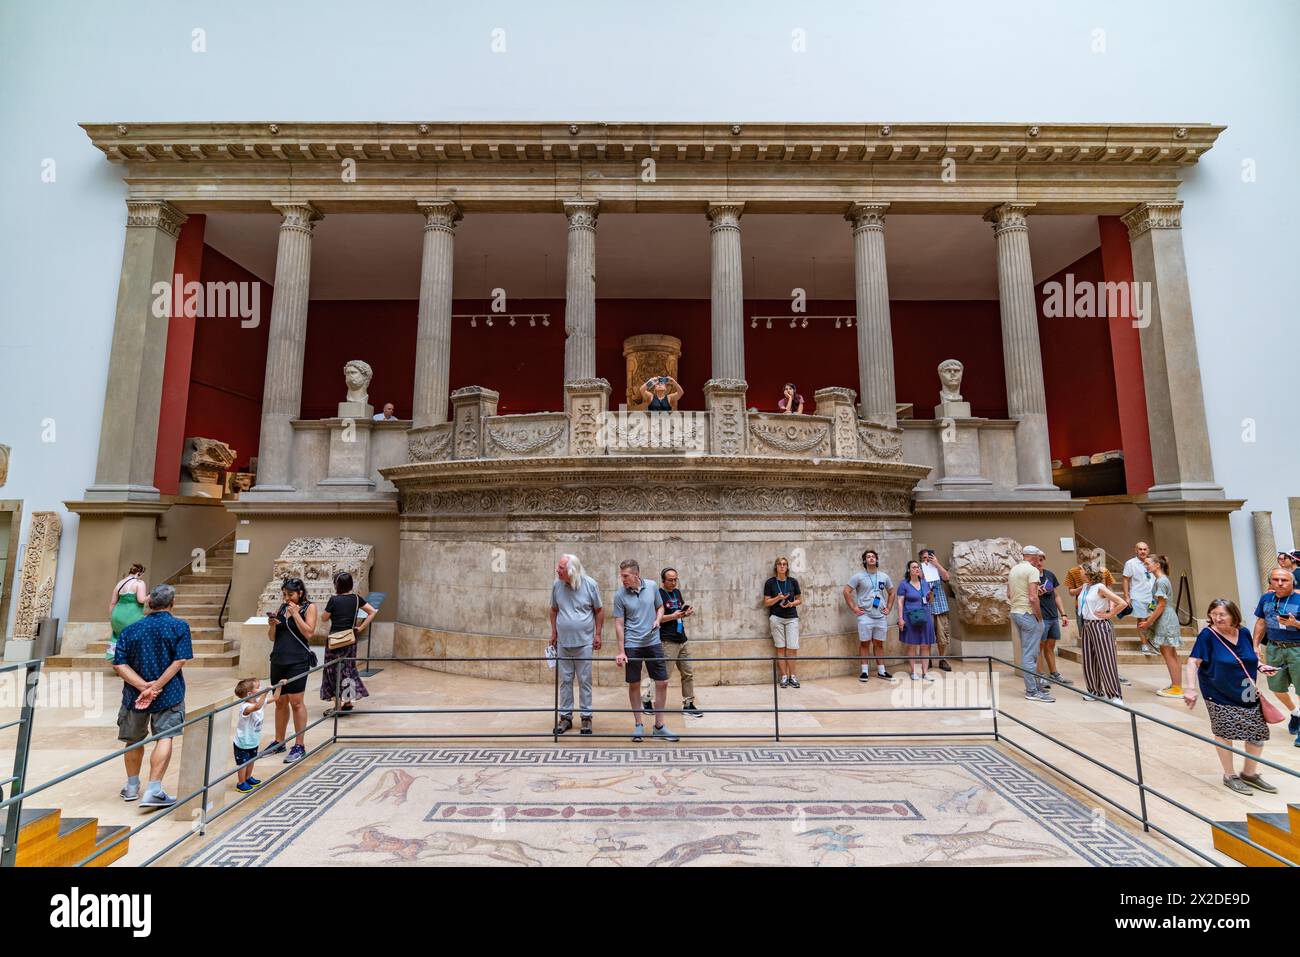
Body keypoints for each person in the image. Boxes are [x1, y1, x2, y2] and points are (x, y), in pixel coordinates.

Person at [1185, 599, 1279, 795]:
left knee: (1257, 733)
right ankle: (1230, 775)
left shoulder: (1243, 633)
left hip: (1246, 691)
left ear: (1233, 616)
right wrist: (1191, 688)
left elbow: (1248, 659)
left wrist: (1261, 666)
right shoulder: (1207, 635)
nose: (1216, 618)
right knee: (1225, 732)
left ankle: (1249, 773)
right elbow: (1193, 662)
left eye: (1222, 614)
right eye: (1213, 614)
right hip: (1218, 691)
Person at [112, 584, 193, 809]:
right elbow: (179, 660)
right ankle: (154, 789)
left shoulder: (130, 629)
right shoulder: (179, 626)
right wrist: (155, 687)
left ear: (149, 603)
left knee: (132, 739)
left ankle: (131, 786)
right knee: (165, 737)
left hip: (133, 695)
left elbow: (119, 664)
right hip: (169, 693)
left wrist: (141, 687)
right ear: (173, 603)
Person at [613, 559, 677, 742]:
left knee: (662, 681)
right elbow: (618, 623)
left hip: (653, 641)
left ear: (636, 574)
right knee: (634, 684)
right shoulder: (619, 595)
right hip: (632, 644)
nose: (622, 579)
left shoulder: (652, 586)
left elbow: (660, 607)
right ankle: (639, 725)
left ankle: (659, 726)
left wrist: (658, 619)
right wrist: (621, 651)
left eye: (625, 576)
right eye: (621, 576)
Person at [264, 577, 317, 765]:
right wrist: (272, 626)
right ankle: (279, 741)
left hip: (298, 660)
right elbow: (272, 638)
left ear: (300, 593)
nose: (287, 598)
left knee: (296, 702)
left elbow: (309, 632)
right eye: (284, 594)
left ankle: (299, 745)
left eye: (290, 594)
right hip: (278, 659)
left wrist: (295, 614)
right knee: (280, 701)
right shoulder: (281, 608)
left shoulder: (309, 608)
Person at [550, 553, 604, 735]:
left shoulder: (590, 584)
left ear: (571, 571)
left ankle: (586, 717)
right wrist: (553, 632)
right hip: (563, 643)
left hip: (584, 642)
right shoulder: (557, 585)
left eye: (561, 568)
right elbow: (553, 610)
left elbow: (599, 610)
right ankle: (565, 717)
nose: (557, 570)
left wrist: (598, 634)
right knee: (565, 680)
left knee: (584, 680)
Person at [641, 567, 701, 717]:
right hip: (667, 640)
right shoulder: (658, 594)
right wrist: (673, 616)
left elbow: (677, 613)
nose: (674, 583)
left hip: (682, 638)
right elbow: (655, 618)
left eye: (676, 579)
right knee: (662, 675)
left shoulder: (677, 592)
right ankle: (646, 699)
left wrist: (684, 613)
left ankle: (688, 704)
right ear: (663, 580)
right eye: (670, 580)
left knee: (688, 673)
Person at [1253, 567, 1300, 746]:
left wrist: (1295, 623)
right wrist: (1255, 646)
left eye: (1284, 580)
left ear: (1292, 582)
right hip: (1274, 648)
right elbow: (1261, 622)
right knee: (1276, 687)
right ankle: (1296, 713)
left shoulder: (1299, 599)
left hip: (1297, 648)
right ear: (1270, 582)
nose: (1279, 583)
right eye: (1276, 579)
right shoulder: (1266, 599)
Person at [319, 571, 376, 714]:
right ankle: (348, 701)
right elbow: (372, 611)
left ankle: (337, 705)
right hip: (350, 639)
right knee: (348, 669)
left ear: (337, 585)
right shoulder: (356, 599)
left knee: (332, 671)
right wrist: (361, 627)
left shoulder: (334, 600)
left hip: (335, 640)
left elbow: (324, 618)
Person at [1008, 545, 1053, 702]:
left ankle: (1033, 686)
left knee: (1028, 652)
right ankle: (1032, 691)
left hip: (1015, 612)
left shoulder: (1013, 570)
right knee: (1030, 654)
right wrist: (1039, 617)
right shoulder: (1032, 571)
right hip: (1028, 614)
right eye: (1038, 558)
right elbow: (1033, 598)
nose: (1039, 561)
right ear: (1033, 557)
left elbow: (1009, 593)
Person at [843, 549, 894, 682]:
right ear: (864, 561)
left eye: (873, 556)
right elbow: (846, 591)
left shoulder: (884, 576)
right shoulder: (858, 576)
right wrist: (854, 608)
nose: (871, 558)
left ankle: (881, 671)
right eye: (868, 557)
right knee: (864, 643)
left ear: (877, 560)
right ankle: (864, 671)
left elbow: (892, 592)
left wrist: (888, 608)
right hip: (865, 615)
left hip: (880, 615)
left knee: (879, 643)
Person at [1077, 564, 1125, 704]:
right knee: (1088, 660)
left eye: (1081, 570)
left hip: (1100, 626)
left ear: (1087, 572)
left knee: (1106, 660)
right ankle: (1094, 691)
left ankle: (1114, 695)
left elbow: (1121, 602)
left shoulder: (1100, 587)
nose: (1079, 572)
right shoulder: (1086, 587)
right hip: (1086, 625)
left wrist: (1109, 614)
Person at [1139, 554, 1184, 698]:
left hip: (1165, 619)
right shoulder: (1161, 580)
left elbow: (1161, 605)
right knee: (1171, 654)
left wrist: (1148, 622)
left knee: (1168, 654)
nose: (1146, 566)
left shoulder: (1161, 581)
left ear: (1157, 565)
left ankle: (1177, 688)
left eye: (1147, 563)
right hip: (1167, 618)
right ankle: (1176, 685)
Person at [763, 556, 803, 688]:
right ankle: (784, 677)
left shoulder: (793, 582)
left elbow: (799, 600)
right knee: (780, 648)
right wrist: (777, 598)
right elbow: (766, 602)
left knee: (792, 648)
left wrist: (791, 603)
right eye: (780, 564)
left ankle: (793, 676)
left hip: (791, 617)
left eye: (784, 564)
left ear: (787, 567)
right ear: (776, 567)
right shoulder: (770, 583)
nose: (782, 566)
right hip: (776, 618)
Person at [233, 677, 276, 793]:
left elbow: (275, 698)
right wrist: (265, 692)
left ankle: (248, 777)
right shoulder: (245, 707)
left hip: (253, 740)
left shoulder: (259, 701)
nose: (261, 689)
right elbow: (257, 707)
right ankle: (241, 782)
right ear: (250, 693)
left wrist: (280, 686)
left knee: (252, 760)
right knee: (243, 763)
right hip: (243, 741)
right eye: (258, 688)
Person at [897, 560, 936, 681]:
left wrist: (931, 596)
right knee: (912, 645)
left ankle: (925, 672)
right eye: (914, 567)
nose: (917, 569)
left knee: (925, 645)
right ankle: (913, 671)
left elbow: (930, 601)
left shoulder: (924, 583)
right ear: (909, 570)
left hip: (925, 616)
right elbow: (900, 602)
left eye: (918, 567)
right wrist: (900, 618)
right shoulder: (904, 584)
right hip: (910, 617)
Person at [1036, 560, 1072, 686]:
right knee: (1038, 647)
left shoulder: (1049, 575)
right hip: (1040, 617)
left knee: (1050, 646)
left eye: (1041, 559)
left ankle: (1054, 673)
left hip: (1053, 616)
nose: (1039, 562)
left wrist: (1063, 614)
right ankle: (1039, 676)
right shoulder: (1030, 576)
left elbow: (1056, 596)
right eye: (1036, 559)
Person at [920, 548, 953, 671]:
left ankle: (942, 659)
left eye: (929, 557)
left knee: (942, 636)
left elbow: (947, 577)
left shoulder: (937, 569)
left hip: (940, 606)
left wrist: (937, 564)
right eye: (924, 558)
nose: (927, 560)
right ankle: (927, 659)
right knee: (926, 636)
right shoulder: (919, 571)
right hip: (926, 608)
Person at [107, 563, 148, 661]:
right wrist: (151, 596)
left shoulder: (119, 583)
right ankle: (132, 664)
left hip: (116, 616)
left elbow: (112, 603)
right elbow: (141, 600)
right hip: (131, 616)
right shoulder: (139, 583)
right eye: (141, 575)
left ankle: (118, 662)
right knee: (135, 639)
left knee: (118, 639)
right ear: (139, 573)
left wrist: (111, 618)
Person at [1123, 541, 1157, 655]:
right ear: (1136, 550)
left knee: (1152, 620)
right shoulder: (1130, 563)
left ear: (1148, 550)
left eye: (1145, 549)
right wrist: (1127, 596)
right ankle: (1144, 644)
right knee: (1141, 620)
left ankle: (1151, 640)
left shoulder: (1153, 562)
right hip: (1138, 596)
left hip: (1152, 597)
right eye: (1140, 549)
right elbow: (1125, 579)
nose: (1143, 551)